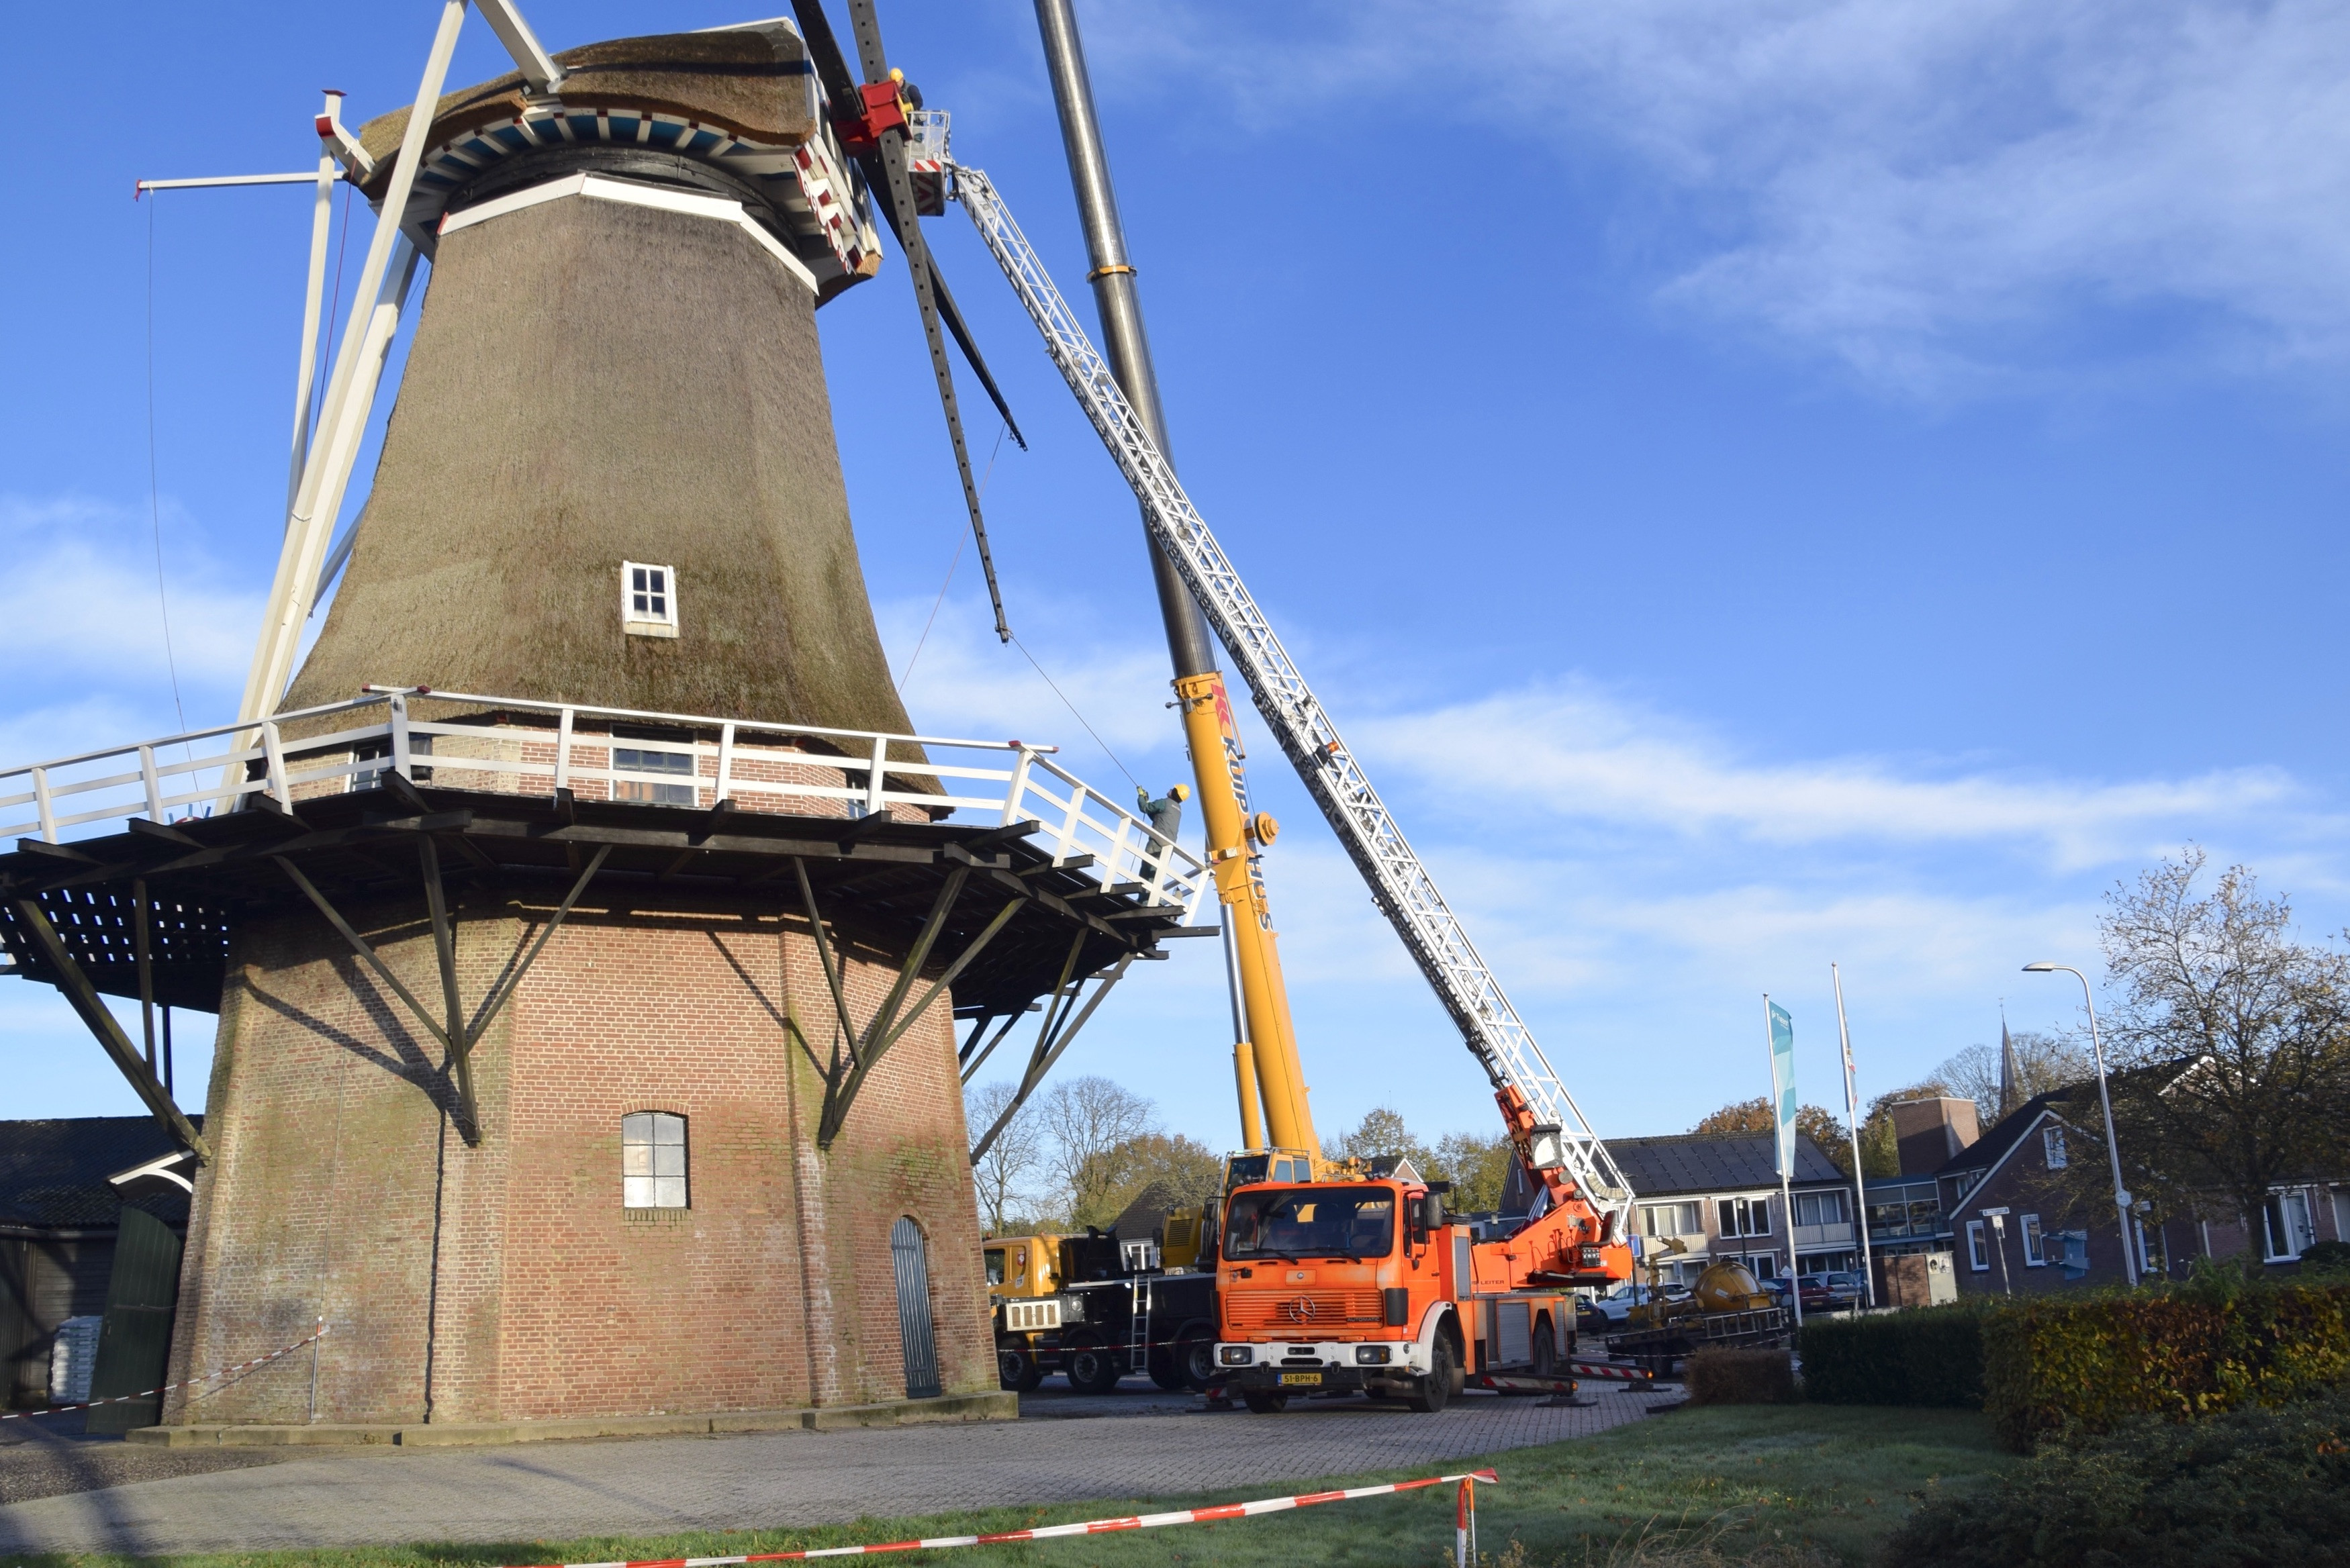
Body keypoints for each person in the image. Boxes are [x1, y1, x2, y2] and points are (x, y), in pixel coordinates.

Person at [1135, 783, 1188, 885]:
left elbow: (1144, 808)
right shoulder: (1178, 810)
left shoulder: (1164, 802)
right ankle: (1150, 893)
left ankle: (1144, 894)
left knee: (1147, 870)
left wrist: (1141, 796)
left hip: (1156, 842)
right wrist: (1148, 801)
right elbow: (1158, 818)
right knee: (1157, 873)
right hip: (1169, 846)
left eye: (1173, 789)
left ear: (1175, 792)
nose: (1170, 789)